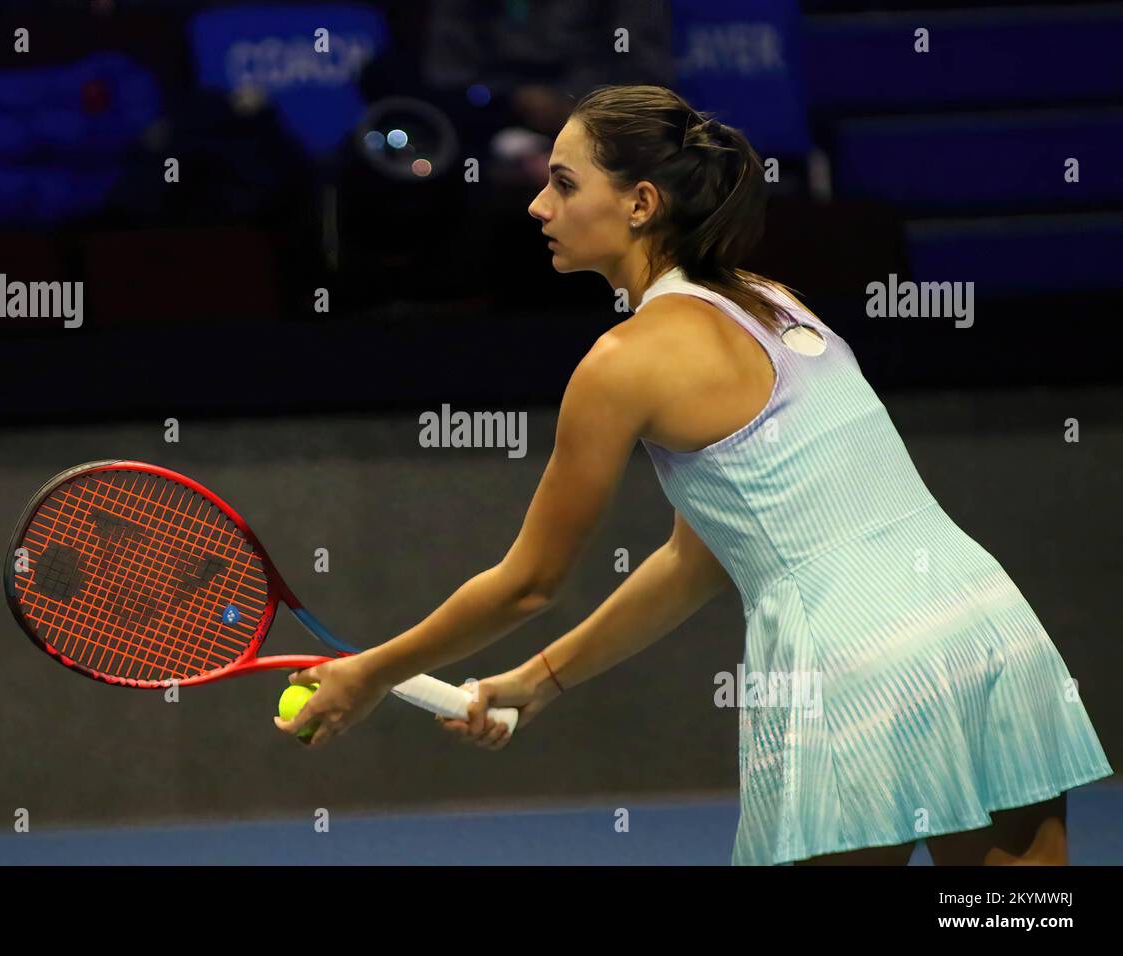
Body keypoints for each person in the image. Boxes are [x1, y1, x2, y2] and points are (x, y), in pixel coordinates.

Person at [273, 84, 1114, 866]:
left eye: (564, 184)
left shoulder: (621, 361)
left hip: (853, 666)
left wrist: (372, 669)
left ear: (641, 204)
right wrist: (537, 680)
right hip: (983, 622)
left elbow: (528, 584)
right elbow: (696, 558)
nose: (538, 205)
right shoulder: (772, 298)